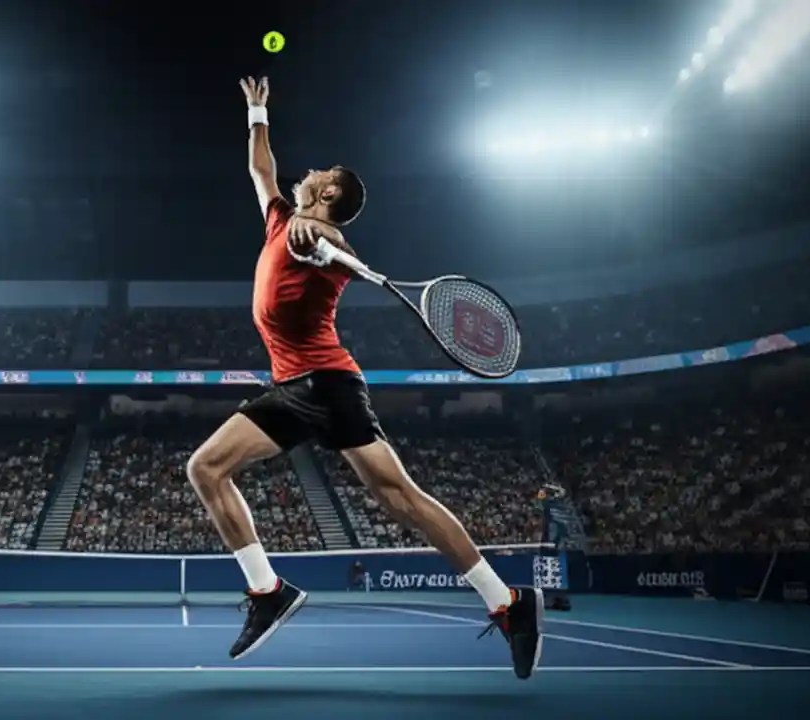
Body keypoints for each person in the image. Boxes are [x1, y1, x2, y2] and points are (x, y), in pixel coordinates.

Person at [183, 76, 542, 678]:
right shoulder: (280, 220)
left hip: (322, 383)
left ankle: (506, 604)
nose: (308, 172)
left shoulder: (320, 235)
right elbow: (261, 171)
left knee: (393, 497)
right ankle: (273, 592)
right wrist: (256, 111)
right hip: (304, 387)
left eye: (319, 173)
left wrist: (318, 238)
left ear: (326, 192)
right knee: (216, 470)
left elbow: (319, 234)